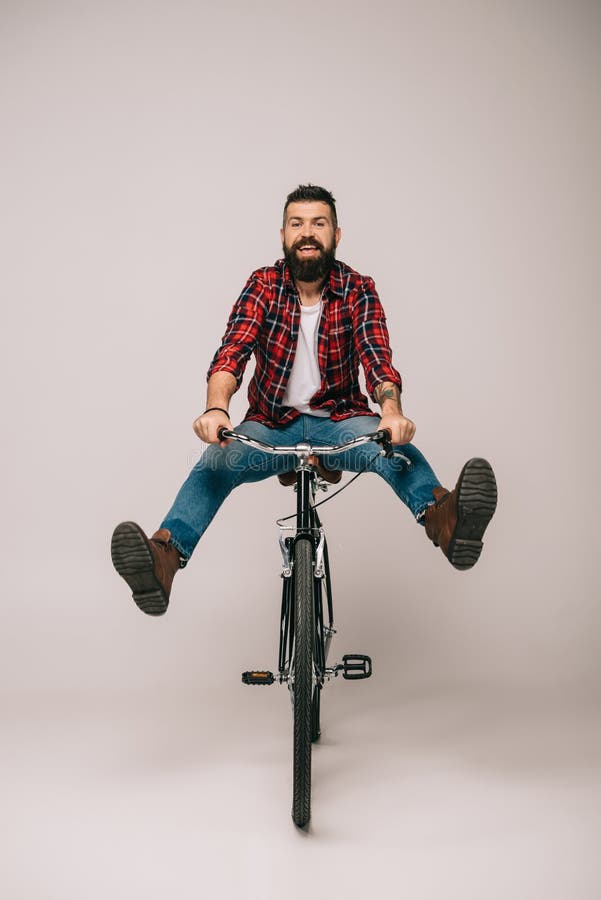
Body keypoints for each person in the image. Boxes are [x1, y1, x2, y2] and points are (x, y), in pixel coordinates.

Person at [111, 184, 497, 616]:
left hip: (340, 422)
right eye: (297, 224)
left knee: (396, 451)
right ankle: (164, 559)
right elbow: (233, 351)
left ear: (336, 235)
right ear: (283, 235)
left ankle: (446, 520)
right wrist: (216, 408)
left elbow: (377, 358)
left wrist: (391, 413)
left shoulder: (358, 288)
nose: (307, 233)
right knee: (215, 462)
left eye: (319, 223)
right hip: (271, 426)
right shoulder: (264, 284)